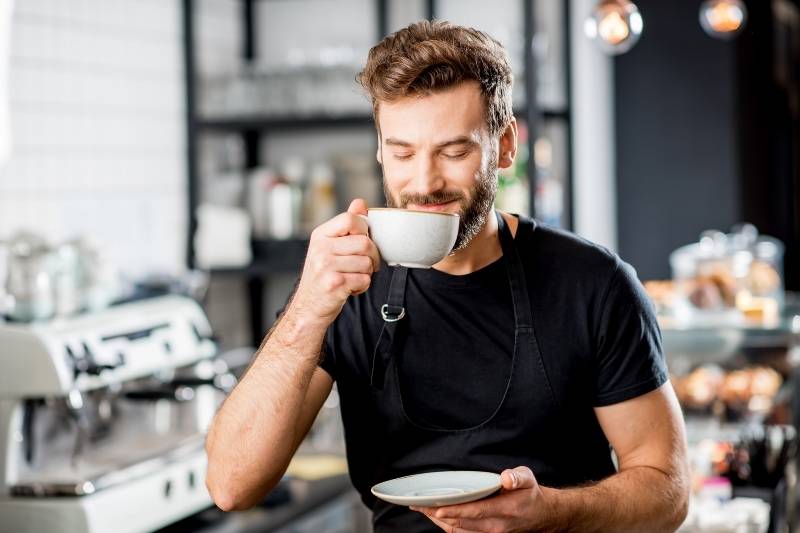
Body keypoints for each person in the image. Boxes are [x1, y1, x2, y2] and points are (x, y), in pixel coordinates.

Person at [205, 20, 690, 532]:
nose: (425, 182)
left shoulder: (592, 283)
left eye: (454, 151)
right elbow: (231, 484)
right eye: (403, 152)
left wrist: (550, 512)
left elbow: (668, 491)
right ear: (379, 151)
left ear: (504, 148)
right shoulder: (342, 288)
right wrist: (307, 309)